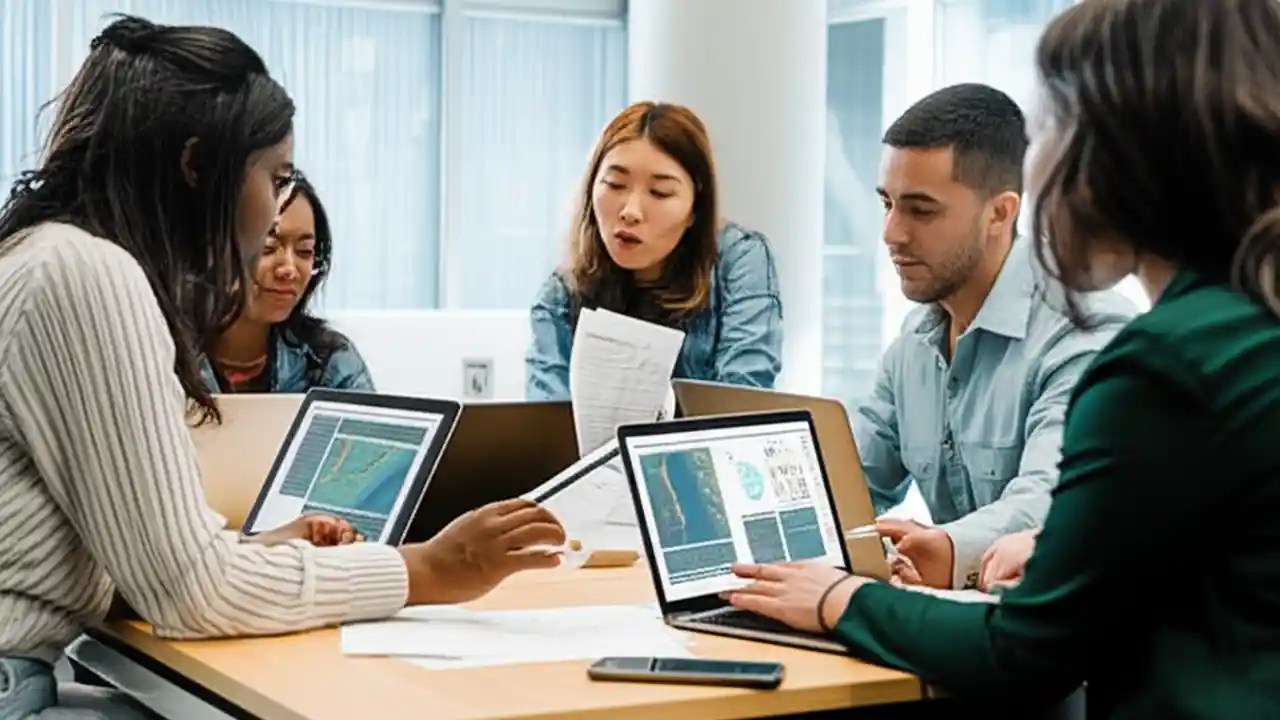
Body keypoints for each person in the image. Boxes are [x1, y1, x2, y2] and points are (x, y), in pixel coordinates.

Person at [726, 0, 1280, 715]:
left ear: (1123, 152)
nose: (1041, 158)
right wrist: (1055, 546)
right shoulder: (1243, 328)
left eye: (1053, 126)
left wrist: (839, 598)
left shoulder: (1161, 363)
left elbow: (1027, 652)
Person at [0, 16, 563, 717]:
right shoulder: (88, 275)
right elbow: (191, 594)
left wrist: (255, 554)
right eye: (276, 178)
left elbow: (152, 570)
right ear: (197, 168)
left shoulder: (42, 255)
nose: (272, 216)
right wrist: (435, 567)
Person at [849, 83, 1135, 590]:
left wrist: (947, 550)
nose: (891, 233)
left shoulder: (1084, 331)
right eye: (887, 203)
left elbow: (1052, 500)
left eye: (920, 210)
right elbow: (851, 482)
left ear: (1001, 212)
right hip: (962, 622)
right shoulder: (915, 340)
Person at [525, 101, 783, 400]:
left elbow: (743, 401)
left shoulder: (739, 260)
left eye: (660, 193)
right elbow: (546, 415)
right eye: (615, 184)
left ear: (695, 209)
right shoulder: (561, 294)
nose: (630, 212)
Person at [201, 172, 373, 393]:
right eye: (268, 248)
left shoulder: (330, 362)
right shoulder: (169, 351)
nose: (289, 270)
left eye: (304, 251)